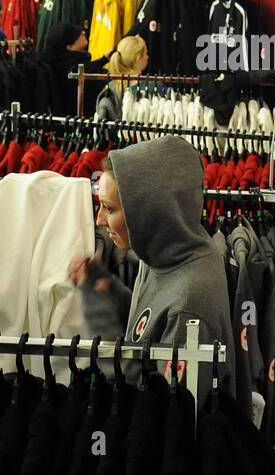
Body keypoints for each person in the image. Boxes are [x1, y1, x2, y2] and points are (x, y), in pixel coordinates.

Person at [69, 135, 233, 396]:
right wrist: (109, 291)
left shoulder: (187, 308)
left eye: (109, 209)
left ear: (146, 212)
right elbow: (145, 331)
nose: (99, 220)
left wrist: (100, 319)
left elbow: (153, 407)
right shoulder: (162, 256)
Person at [45, 21, 107, 116]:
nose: (83, 32)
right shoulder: (81, 70)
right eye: (77, 35)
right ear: (69, 47)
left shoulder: (58, 65)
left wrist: (104, 59)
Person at [95, 34, 148, 122]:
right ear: (139, 59)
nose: (147, 57)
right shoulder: (151, 86)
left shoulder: (110, 87)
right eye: (146, 53)